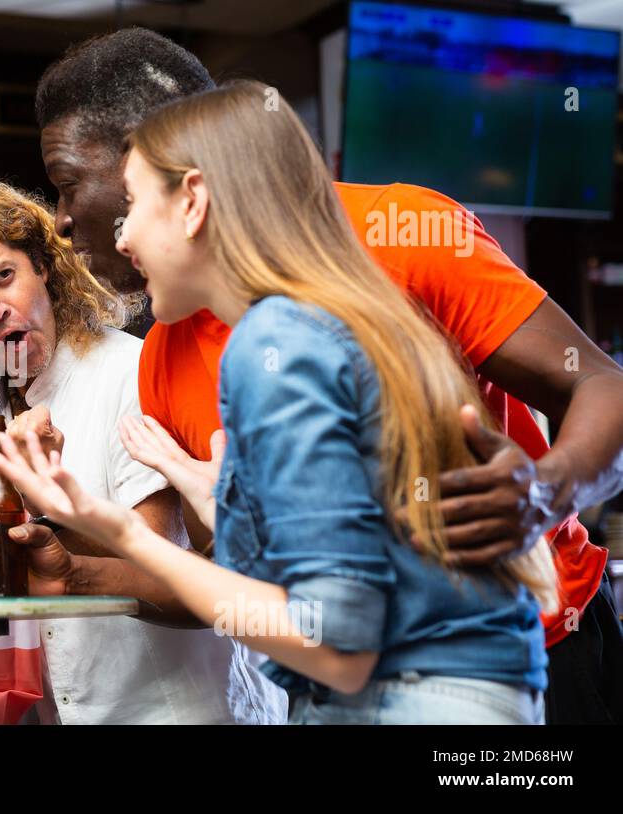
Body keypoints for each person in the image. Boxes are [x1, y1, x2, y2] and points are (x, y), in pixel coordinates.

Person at [32, 27, 623, 724]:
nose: (62, 222)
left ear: (178, 175)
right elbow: (266, 581)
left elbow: (602, 383)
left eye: (70, 184)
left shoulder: (399, 233)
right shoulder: (166, 349)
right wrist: (91, 561)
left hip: (543, 655)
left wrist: (546, 492)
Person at [0, 181, 286, 724]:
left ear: (43, 267)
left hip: (180, 709)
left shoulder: (131, 372)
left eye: (4, 277)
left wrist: (43, 505)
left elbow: (154, 548)